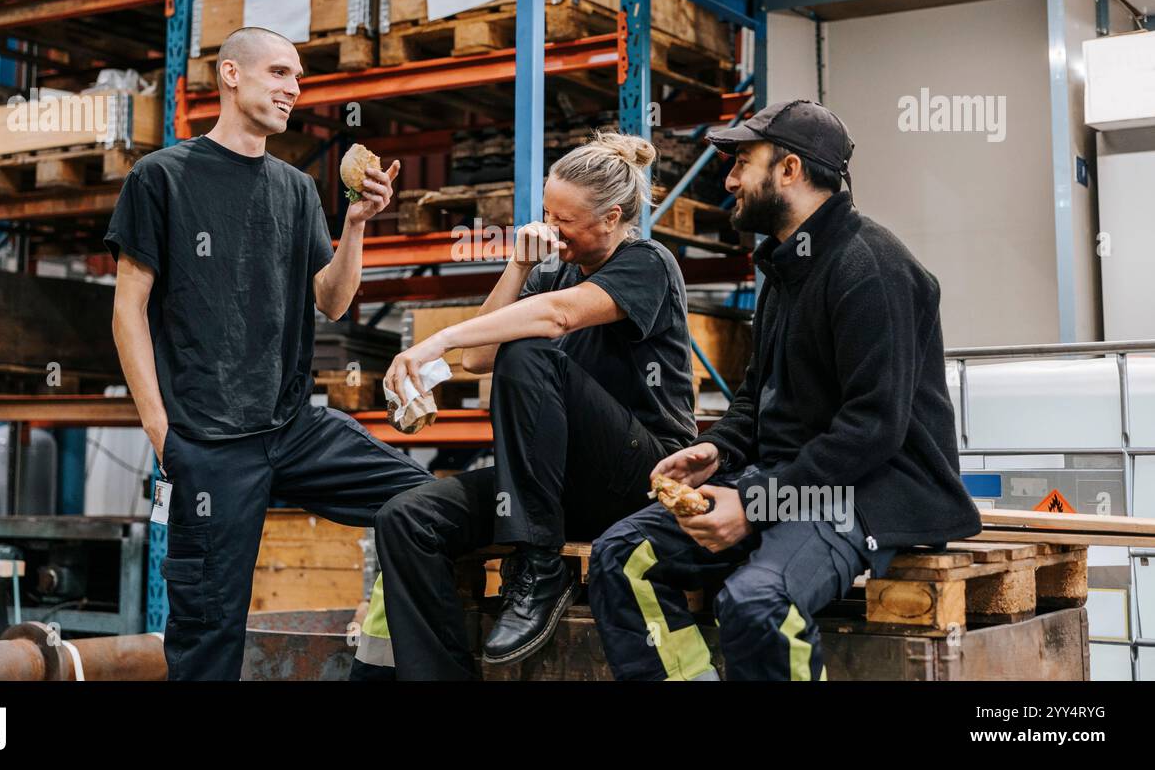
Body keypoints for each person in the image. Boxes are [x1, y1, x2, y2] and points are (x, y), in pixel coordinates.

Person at [586, 100, 983, 681]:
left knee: (756, 604)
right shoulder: (783, 269)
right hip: (788, 478)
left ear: (790, 169)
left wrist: (754, 502)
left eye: (742, 161)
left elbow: (871, 431)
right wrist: (719, 450)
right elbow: (755, 398)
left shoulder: (871, 269)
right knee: (622, 557)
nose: (729, 180)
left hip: (864, 490)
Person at [106, 27, 432, 680]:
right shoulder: (162, 178)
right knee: (208, 630)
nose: (293, 90)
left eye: (298, 79)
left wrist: (357, 226)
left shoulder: (295, 189)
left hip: (294, 427)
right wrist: (161, 429)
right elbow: (127, 308)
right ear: (231, 74)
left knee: (423, 504)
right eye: (281, 73)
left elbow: (333, 301)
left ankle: (386, 668)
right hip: (208, 438)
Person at [350, 131, 698, 680]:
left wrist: (437, 339)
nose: (549, 229)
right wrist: (517, 266)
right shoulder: (552, 271)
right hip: (553, 486)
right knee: (407, 517)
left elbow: (554, 319)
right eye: (545, 213)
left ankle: (539, 565)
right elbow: (480, 359)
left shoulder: (648, 264)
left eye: (564, 221)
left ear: (610, 218)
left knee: (531, 353)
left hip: (640, 477)